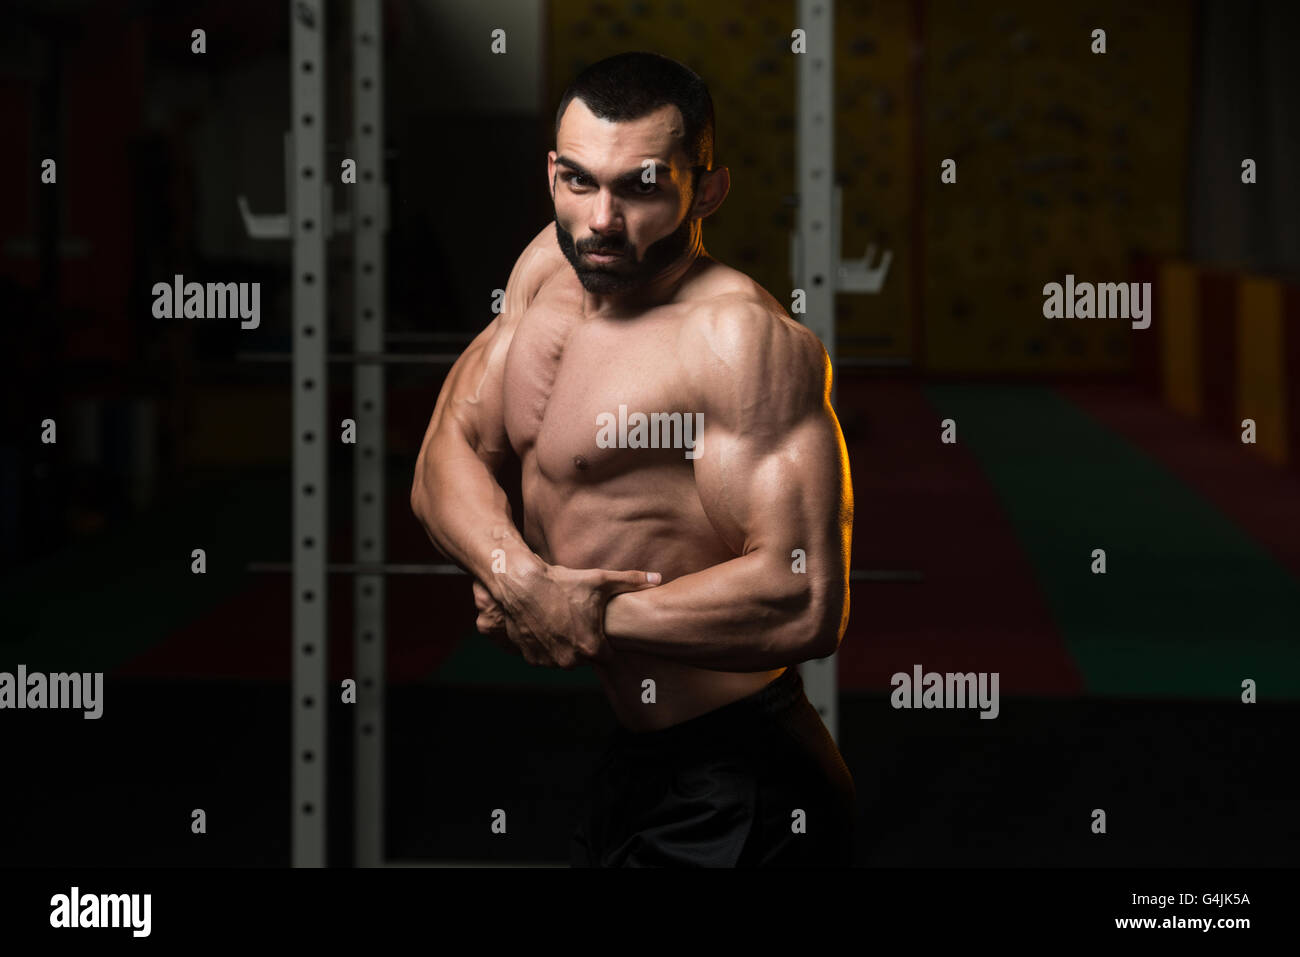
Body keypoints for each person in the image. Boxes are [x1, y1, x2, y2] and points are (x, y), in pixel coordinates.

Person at [410, 51, 855, 867]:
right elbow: (449, 450)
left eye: (641, 187)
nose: (601, 220)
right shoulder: (548, 265)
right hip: (636, 759)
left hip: (742, 783)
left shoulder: (736, 340)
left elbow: (803, 596)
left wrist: (584, 618)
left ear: (707, 191)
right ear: (552, 173)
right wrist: (516, 575)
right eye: (579, 181)